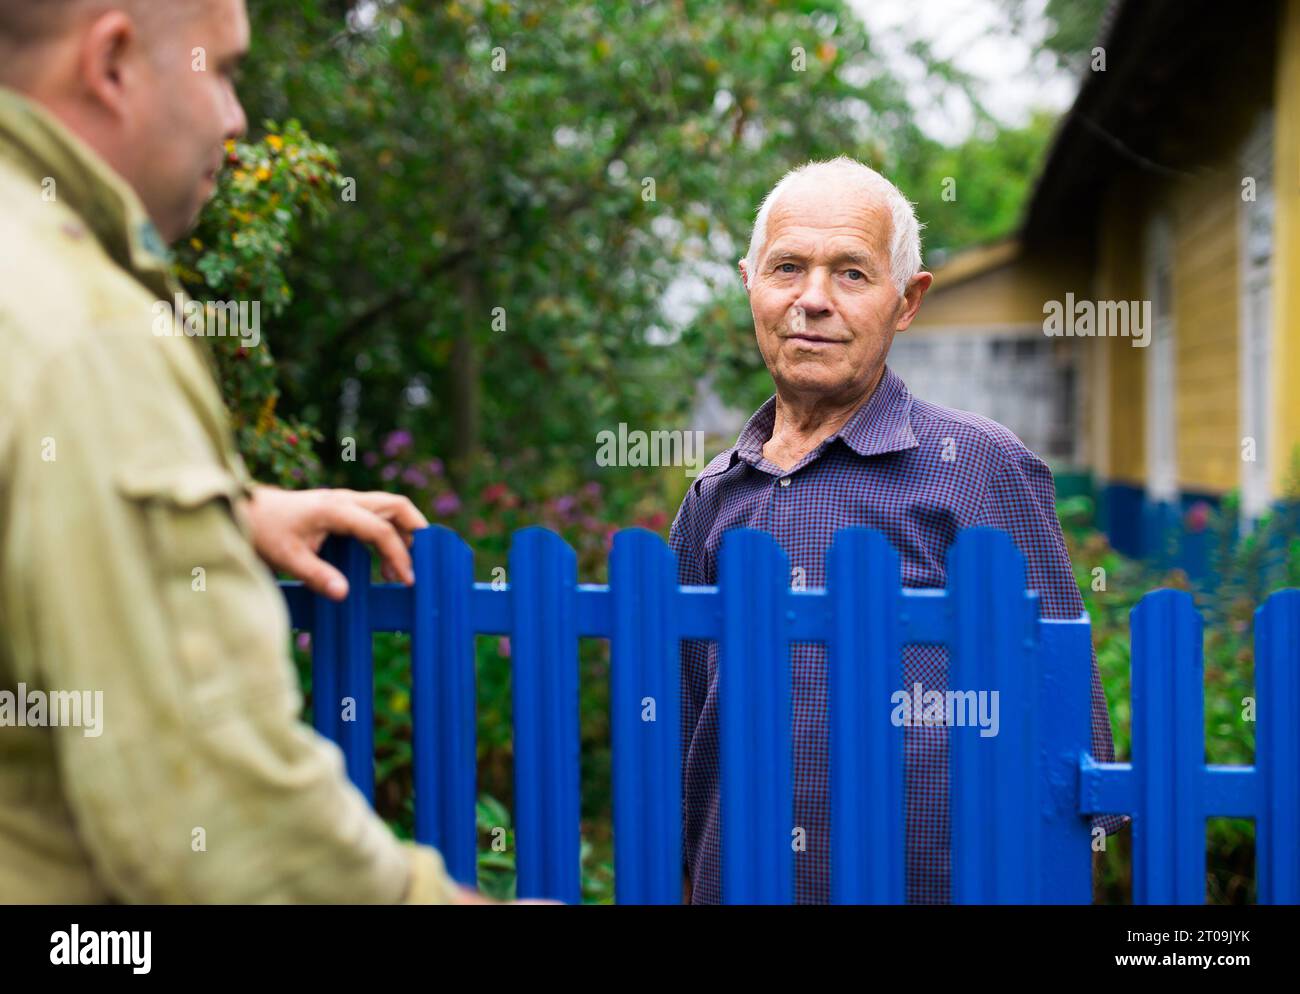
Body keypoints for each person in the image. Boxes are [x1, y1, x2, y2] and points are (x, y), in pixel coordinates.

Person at [0, 0, 493, 903]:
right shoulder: (89, 340)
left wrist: (222, 506)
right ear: (113, 64)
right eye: (222, 71)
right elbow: (215, 818)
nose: (236, 119)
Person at [671, 156, 1128, 904]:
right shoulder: (716, 496)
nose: (812, 300)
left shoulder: (979, 467)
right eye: (788, 267)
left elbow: (1069, 737)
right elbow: (685, 738)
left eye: (851, 273)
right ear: (750, 283)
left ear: (906, 301)